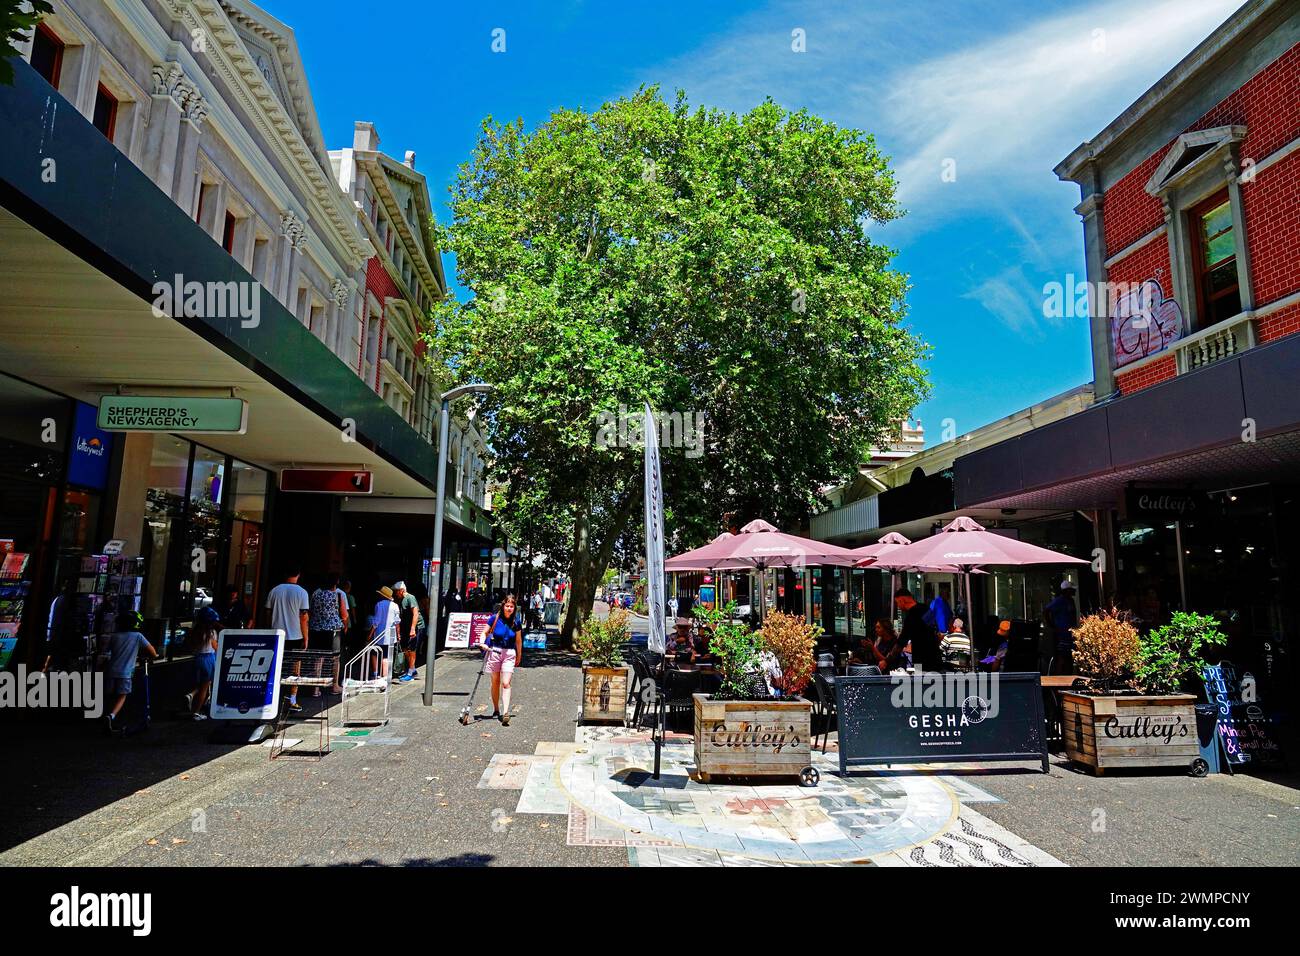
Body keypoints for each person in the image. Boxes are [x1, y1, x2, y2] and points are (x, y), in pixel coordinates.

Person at [104, 609, 157, 734]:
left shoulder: (114, 636)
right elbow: (153, 652)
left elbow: (107, 653)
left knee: (110, 695)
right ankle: (111, 716)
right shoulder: (138, 636)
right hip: (125, 672)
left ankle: (108, 713)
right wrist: (149, 657)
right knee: (122, 695)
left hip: (111, 671)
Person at [264, 566, 310, 712]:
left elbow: (267, 613)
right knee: (295, 669)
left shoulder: (275, 590)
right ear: (299, 574)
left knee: (274, 667)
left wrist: (269, 629)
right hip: (295, 635)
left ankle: (272, 698)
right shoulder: (302, 592)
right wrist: (306, 637)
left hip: (276, 634)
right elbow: (303, 617)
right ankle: (292, 699)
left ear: (285, 574)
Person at [482, 593, 524, 725]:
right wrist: (482, 642)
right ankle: (496, 709)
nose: (509, 609)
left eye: (512, 606)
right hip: (495, 651)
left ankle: (505, 712)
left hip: (509, 653)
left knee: (506, 683)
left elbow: (518, 640)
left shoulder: (516, 622)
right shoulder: (494, 618)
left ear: (514, 608)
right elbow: (484, 632)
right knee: (495, 682)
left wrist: (519, 655)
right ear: (503, 606)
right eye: (507, 606)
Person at [309, 572, 348, 695]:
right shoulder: (337, 595)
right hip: (333, 630)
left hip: (316, 629)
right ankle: (335, 686)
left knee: (318, 658)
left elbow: (311, 610)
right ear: (336, 582)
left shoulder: (316, 594)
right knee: (335, 658)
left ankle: (316, 688)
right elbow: (344, 615)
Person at [183, 606, 220, 720]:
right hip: (208, 659)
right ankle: (196, 712)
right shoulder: (212, 633)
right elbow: (216, 647)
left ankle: (191, 694)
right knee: (205, 687)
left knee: (199, 683)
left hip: (197, 658)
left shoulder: (195, 631)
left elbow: (189, 645)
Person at [896, 589, 940, 672]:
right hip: (934, 657)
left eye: (897, 602)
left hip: (920, 660)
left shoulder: (911, 616)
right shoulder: (925, 608)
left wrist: (887, 660)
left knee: (920, 681)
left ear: (902, 600)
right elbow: (935, 630)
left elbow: (902, 641)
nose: (898, 606)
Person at [1045, 581, 1079, 675]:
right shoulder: (1059, 601)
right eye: (1072, 589)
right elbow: (1047, 610)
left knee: (1069, 658)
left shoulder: (1071, 601)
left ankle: (1069, 676)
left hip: (1070, 634)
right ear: (1067, 590)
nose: (1074, 591)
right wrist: (1051, 625)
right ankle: (1060, 680)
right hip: (1062, 635)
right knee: (1062, 657)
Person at [367, 586, 400, 680]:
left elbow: (376, 622)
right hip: (391, 635)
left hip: (379, 635)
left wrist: (369, 634)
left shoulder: (379, 604)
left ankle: (375, 674)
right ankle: (385, 678)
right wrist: (398, 634)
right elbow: (397, 622)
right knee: (386, 656)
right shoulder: (395, 605)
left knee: (374, 653)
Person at [394, 580, 424, 683]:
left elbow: (415, 613)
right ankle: (412, 669)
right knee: (405, 648)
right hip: (407, 627)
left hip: (416, 627)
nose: (395, 593)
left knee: (412, 649)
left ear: (401, 590)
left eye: (396, 591)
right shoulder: (401, 599)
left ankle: (411, 672)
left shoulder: (410, 598)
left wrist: (412, 628)